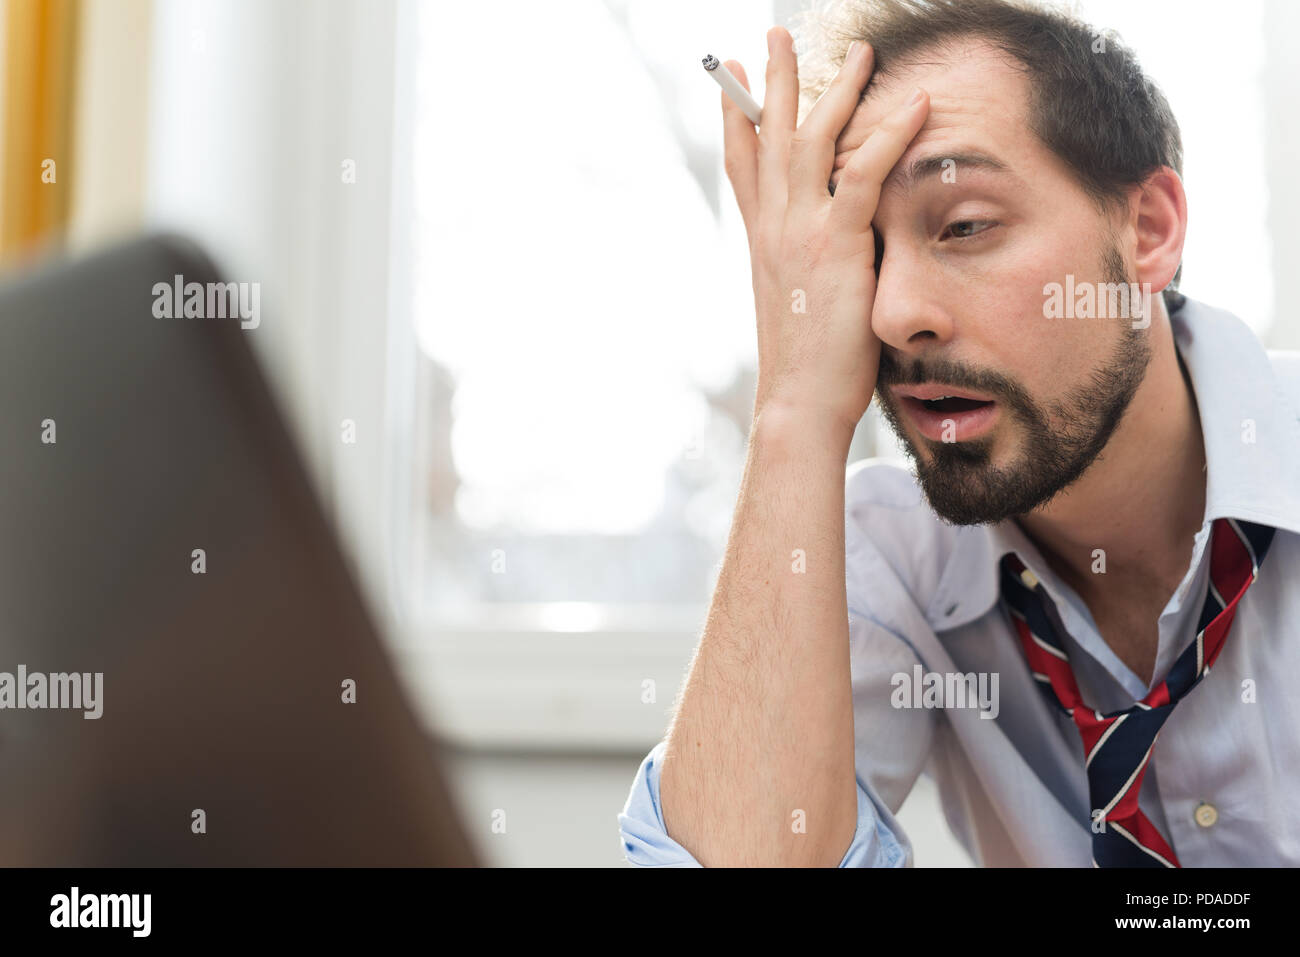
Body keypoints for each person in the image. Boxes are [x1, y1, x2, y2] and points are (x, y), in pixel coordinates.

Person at [617, 0, 1300, 867]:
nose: (896, 314)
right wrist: (791, 411)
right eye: (859, 251)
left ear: (1148, 231)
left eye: (965, 225)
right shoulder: (888, 556)